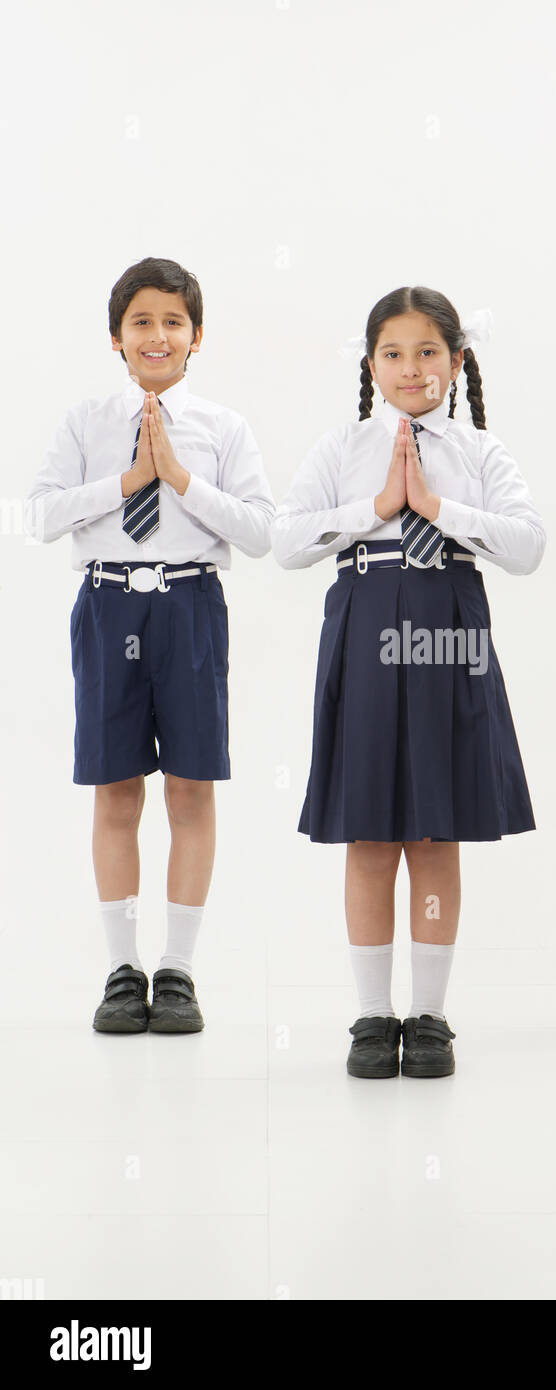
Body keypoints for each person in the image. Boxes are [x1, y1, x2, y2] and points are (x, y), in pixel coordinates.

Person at [272, 286, 544, 1078]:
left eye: (428, 352)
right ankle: (369, 1016)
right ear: (370, 364)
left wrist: (437, 507)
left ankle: (428, 1015)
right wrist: (377, 506)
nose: (410, 368)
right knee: (368, 828)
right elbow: (287, 541)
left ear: (456, 361)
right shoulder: (342, 446)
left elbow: (526, 548)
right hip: (362, 623)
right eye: (392, 353)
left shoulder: (480, 452)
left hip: (447, 623)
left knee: (434, 825)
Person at [25, 257, 275, 1035]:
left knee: (191, 789)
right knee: (116, 788)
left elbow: (264, 530)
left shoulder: (225, 427)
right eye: (141, 322)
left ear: (196, 336)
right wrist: (131, 480)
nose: (157, 335)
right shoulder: (86, 423)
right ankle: (121, 969)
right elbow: (38, 515)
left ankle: (178, 971)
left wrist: (181, 478)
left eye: (172, 322)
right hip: (108, 605)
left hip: (189, 604)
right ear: (115, 338)